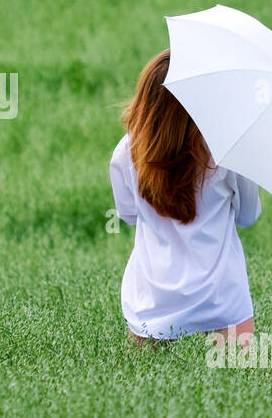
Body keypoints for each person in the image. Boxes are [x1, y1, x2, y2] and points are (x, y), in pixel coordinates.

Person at [110, 49, 261, 348]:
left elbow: (127, 214)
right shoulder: (228, 150)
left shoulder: (127, 152)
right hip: (221, 299)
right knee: (237, 390)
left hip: (152, 303)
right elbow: (248, 216)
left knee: (145, 391)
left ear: (146, 100)